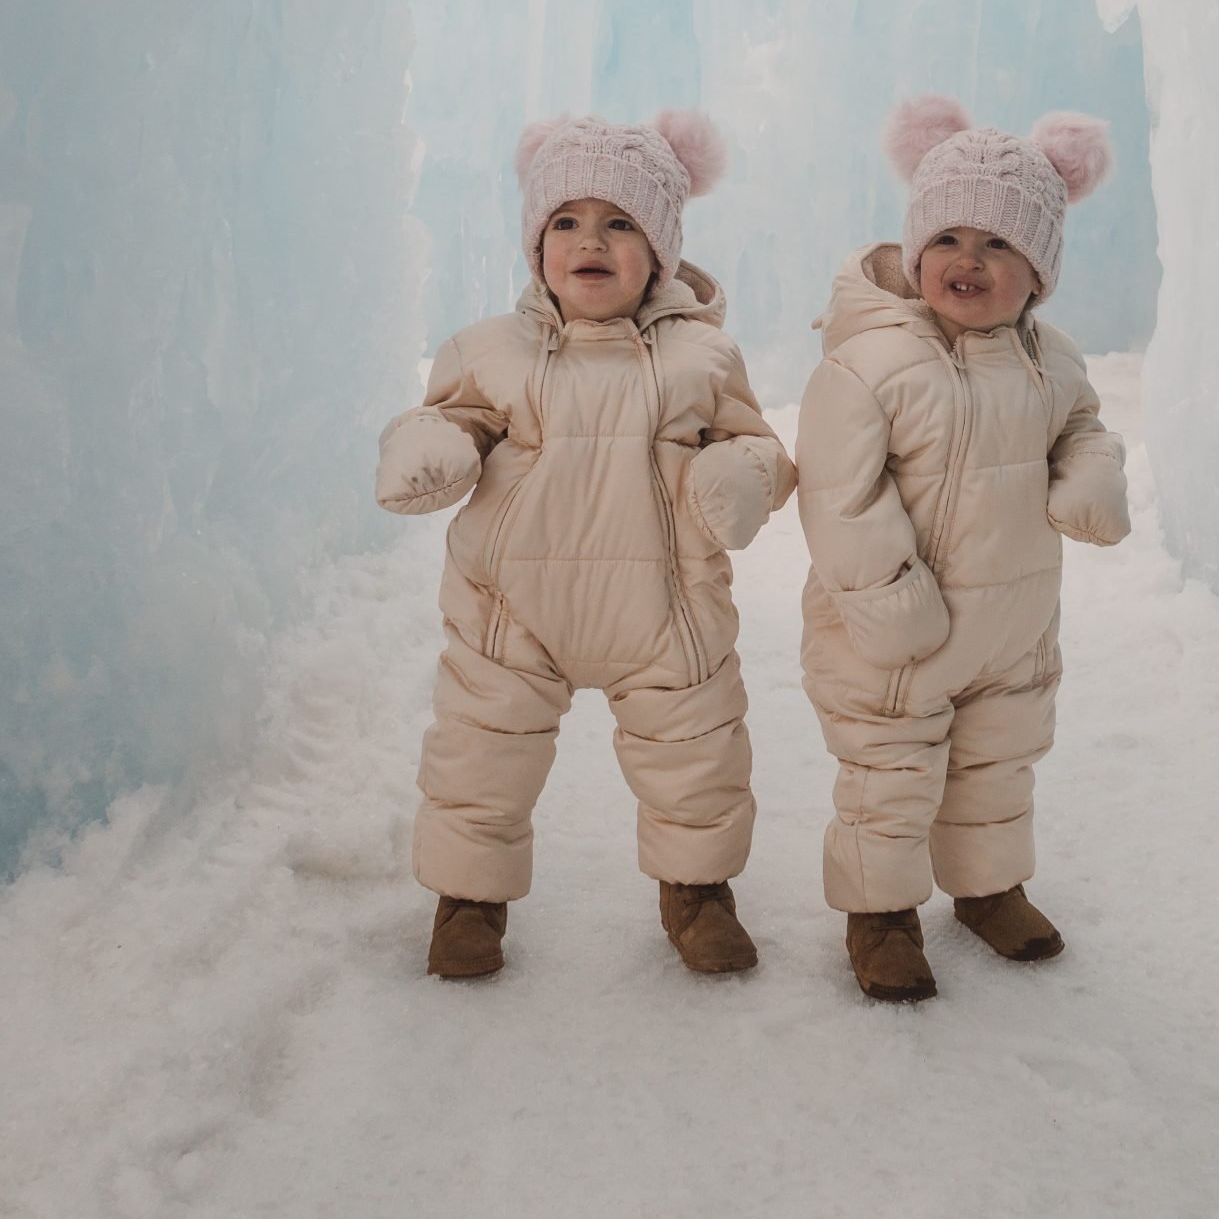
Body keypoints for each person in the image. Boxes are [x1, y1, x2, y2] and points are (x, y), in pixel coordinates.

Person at [376, 110, 795, 982]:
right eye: (565, 221)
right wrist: (435, 450)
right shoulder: (490, 349)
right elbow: (446, 415)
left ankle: (698, 892)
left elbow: (758, 444)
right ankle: (468, 898)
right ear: (536, 246)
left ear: (660, 250)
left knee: (696, 753)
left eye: (619, 223)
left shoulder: (701, 355)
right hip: (511, 609)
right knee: (482, 751)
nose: (587, 241)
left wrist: (741, 477)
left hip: (666, 608)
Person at [795, 96, 1132, 1002]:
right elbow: (837, 493)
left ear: (1039, 271)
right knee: (890, 775)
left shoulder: (1051, 362)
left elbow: (1085, 429)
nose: (968, 262)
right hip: (895, 634)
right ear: (915, 253)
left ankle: (988, 889)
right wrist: (889, 601)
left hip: (1010, 629)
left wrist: (1092, 476)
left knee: (996, 762)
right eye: (947, 240)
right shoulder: (869, 362)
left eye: (999, 245)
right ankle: (881, 914)